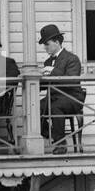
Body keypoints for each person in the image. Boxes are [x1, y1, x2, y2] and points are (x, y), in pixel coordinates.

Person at [38, 24, 85, 153]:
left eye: (47, 44)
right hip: (53, 97)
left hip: (72, 98)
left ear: (57, 42)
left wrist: (52, 71)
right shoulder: (47, 62)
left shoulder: (72, 59)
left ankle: (61, 145)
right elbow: (46, 85)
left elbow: (71, 81)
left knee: (55, 107)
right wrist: (37, 81)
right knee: (33, 109)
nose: (45, 47)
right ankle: (56, 137)